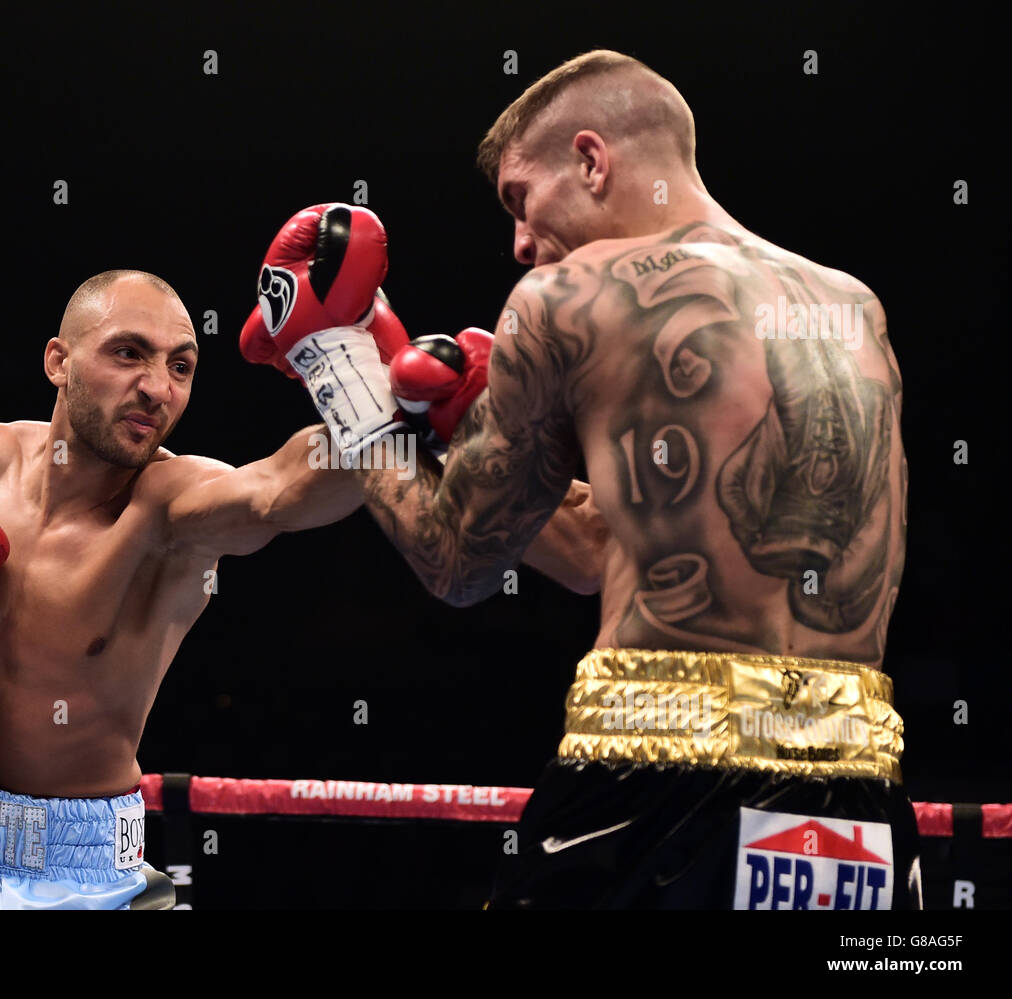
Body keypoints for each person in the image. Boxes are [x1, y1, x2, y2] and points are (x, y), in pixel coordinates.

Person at [241, 50, 919, 909]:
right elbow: (608, 548)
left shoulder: (563, 296)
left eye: (521, 200)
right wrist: (458, 427)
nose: (519, 242)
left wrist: (338, 365)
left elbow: (457, 562)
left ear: (592, 160)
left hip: (649, 774)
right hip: (857, 795)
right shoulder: (852, 306)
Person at [0, 266, 601, 909]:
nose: (155, 387)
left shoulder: (169, 507)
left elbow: (279, 487)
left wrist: (394, 402)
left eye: (180, 365)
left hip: (73, 878)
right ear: (57, 361)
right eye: (128, 354)